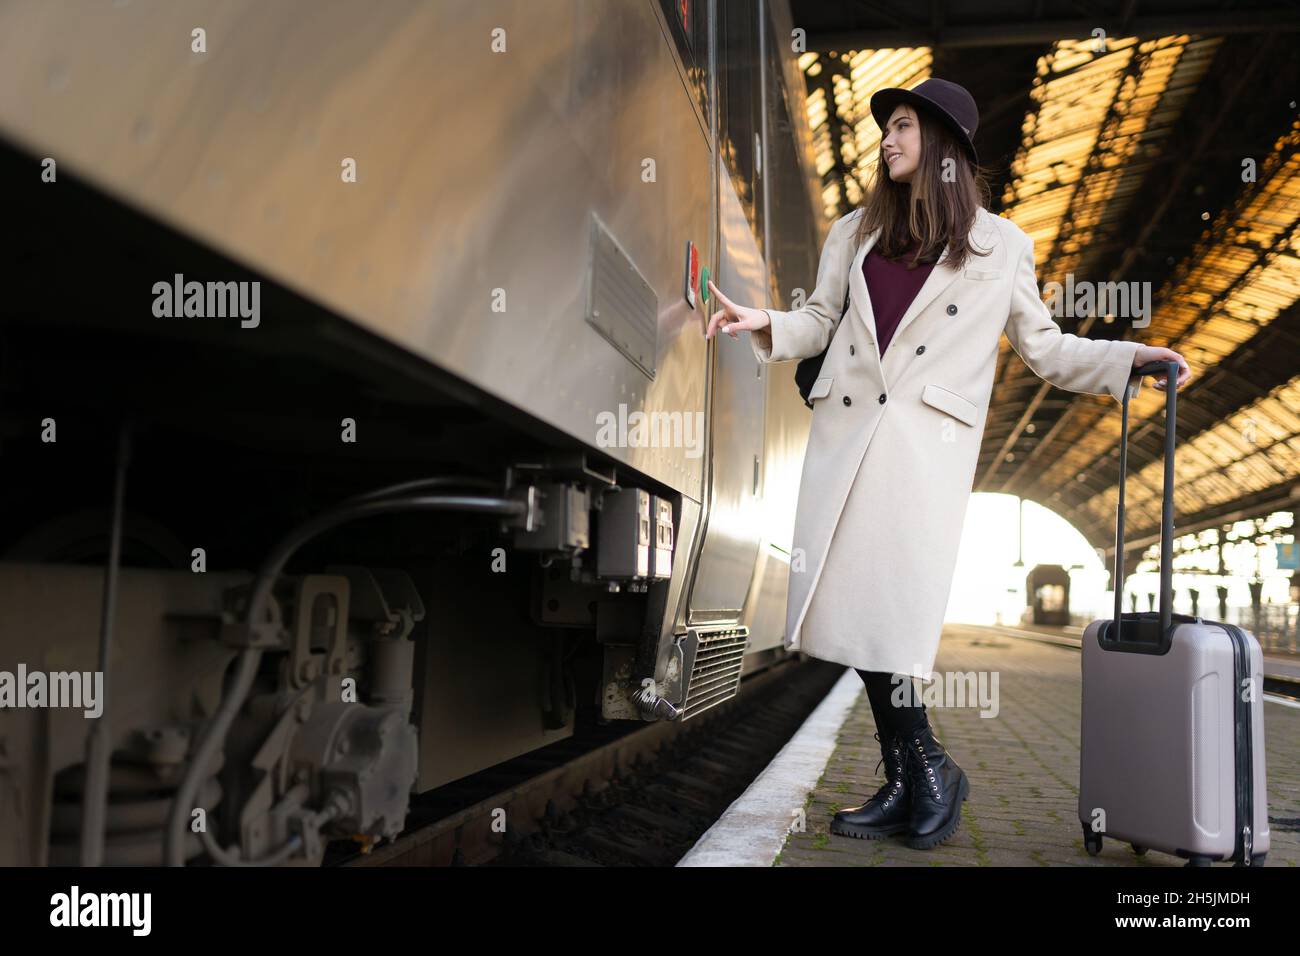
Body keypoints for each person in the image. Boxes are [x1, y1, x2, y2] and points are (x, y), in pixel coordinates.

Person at [701, 78, 1191, 851]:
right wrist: (765, 320)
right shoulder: (854, 233)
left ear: (945, 147)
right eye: (887, 128)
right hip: (848, 439)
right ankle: (915, 775)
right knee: (843, 616)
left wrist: (1132, 359)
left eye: (902, 127)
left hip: (922, 456)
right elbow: (823, 318)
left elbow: (1047, 349)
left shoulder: (1002, 247)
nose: (888, 141)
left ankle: (923, 772)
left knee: (886, 624)